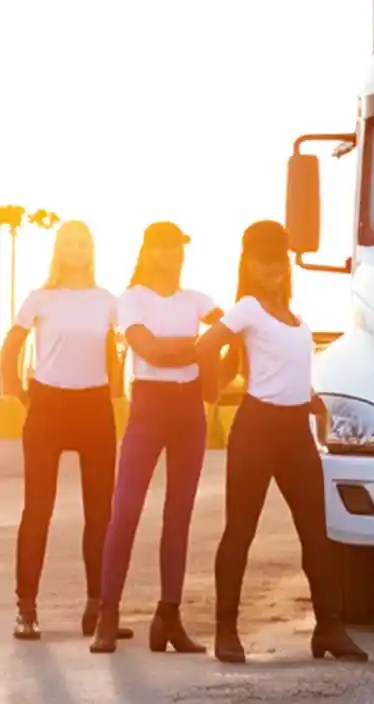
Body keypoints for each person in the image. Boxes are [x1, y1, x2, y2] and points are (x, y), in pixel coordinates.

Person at [195, 220, 367, 664]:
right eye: (264, 258)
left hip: (296, 432)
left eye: (281, 258)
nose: (274, 266)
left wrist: (312, 401)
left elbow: (287, 367)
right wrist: (211, 394)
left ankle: (329, 629)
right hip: (257, 429)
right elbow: (206, 347)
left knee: (316, 533)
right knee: (240, 531)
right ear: (248, 263)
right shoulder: (247, 308)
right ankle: (226, 632)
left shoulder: (296, 317)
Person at [91, 222, 222, 654]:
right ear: (147, 251)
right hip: (148, 408)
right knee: (125, 511)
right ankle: (107, 616)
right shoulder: (132, 299)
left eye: (178, 247)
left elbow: (231, 334)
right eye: (163, 247)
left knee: (178, 516)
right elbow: (150, 351)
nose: (172, 255)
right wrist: (201, 348)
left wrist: (206, 352)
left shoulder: (196, 300)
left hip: (189, 411)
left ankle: (169, 617)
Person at [0, 220, 133, 642]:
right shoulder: (40, 298)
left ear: (91, 250)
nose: (77, 249)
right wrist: (20, 394)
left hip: (93, 408)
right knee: (38, 511)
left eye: (83, 243)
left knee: (100, 515)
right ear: (59, 250)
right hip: (47, 407)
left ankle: (98, 607)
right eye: (69, 243)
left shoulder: (107, 301)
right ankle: (26, 610)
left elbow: (130, 342)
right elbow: (11, 348)